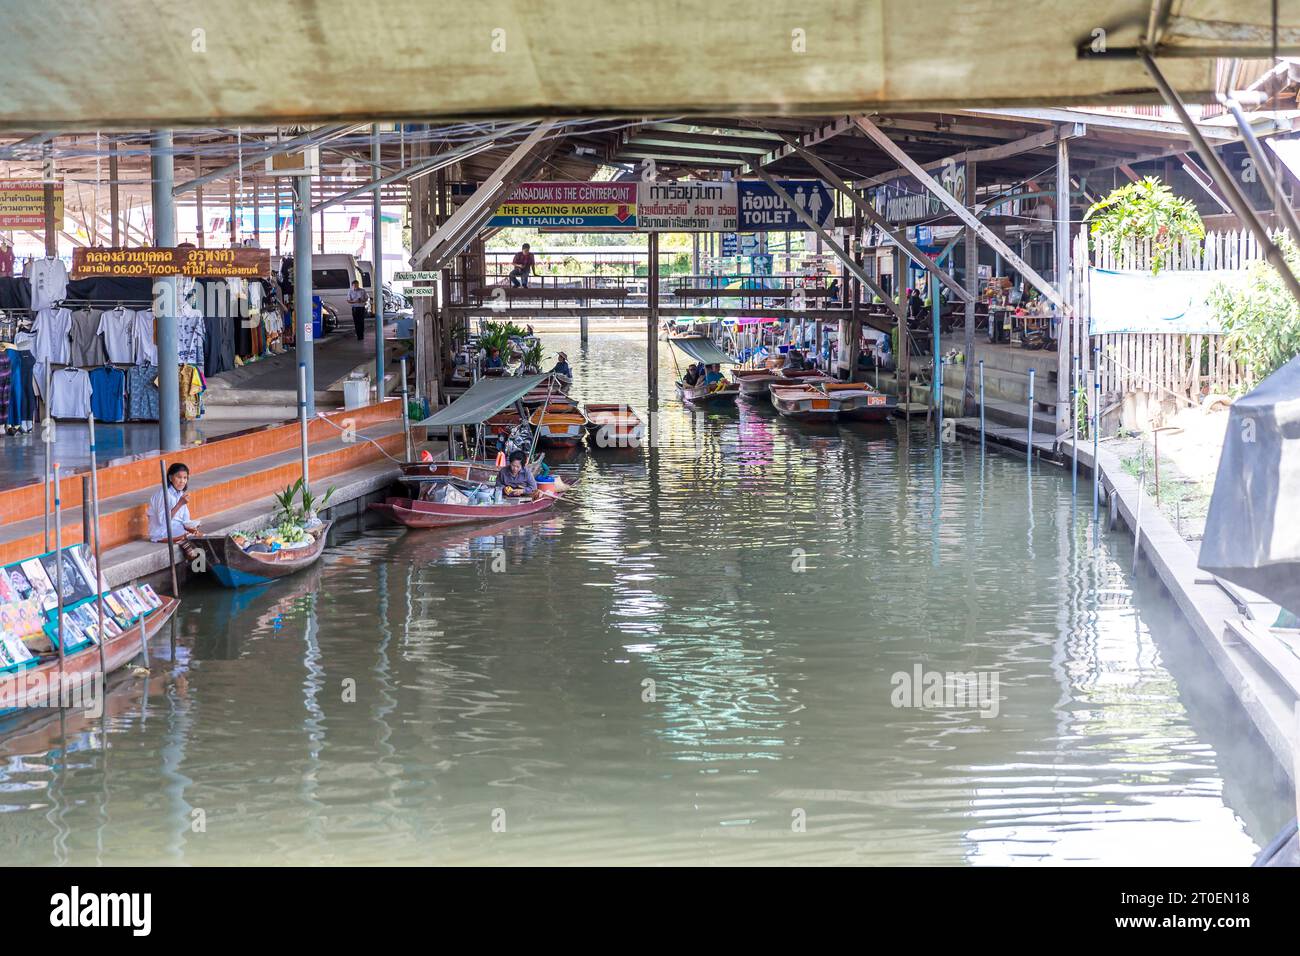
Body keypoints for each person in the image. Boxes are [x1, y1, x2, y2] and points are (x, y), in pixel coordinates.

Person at [148, 463, 201, 559]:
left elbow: (185, 520)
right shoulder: (163, 495)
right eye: (179, 477)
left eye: (185, 478)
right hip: (161, 532)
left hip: (177, 529)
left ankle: (198, 563)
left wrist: (192, 527)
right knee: (189, 542)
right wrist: (180, 504)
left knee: (200, 536)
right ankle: (193, 559)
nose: (182, 481)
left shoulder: (180, 494)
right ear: (170, 478)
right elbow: (164, 522)